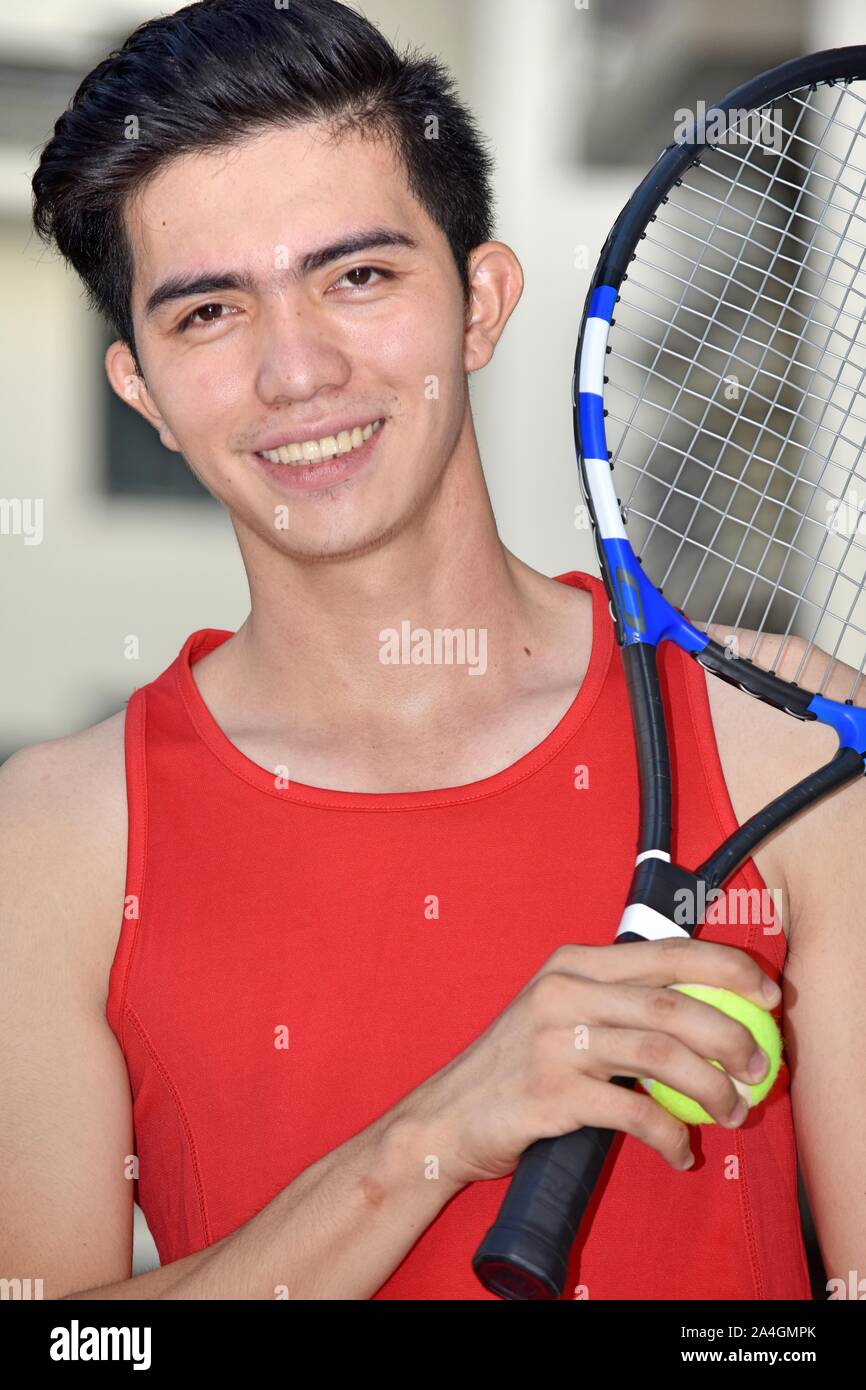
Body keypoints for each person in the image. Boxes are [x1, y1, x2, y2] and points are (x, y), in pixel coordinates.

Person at [3, 0, 862, 1300]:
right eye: (210, 313)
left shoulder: (790, 739)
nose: (296, 371)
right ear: (145, 393)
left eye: (357, 277)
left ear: (479, 303)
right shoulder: (57, 841)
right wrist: (428, 1140)